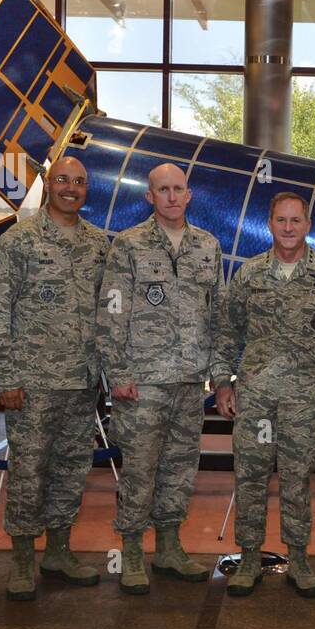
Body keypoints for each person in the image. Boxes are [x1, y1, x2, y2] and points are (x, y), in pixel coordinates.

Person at [212, 191, 315, 598]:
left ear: (309, 225)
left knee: (297, 480)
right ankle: (248, 559)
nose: (289, 227)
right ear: (270, 224)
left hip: (306, 399)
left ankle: (298, 559)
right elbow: (227, 331)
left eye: (296, 220)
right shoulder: (249, 274)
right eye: (281, 220)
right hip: (256, 397)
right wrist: (223, 383)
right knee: (251, 478)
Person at [0, 156, 108, 601]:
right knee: (29, 472)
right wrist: (5, 376)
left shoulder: (96, 243)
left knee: (72, 470)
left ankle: (58, 552)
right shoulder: (21, 240)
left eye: (80, 182)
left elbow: (107, 310)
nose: (72, 188)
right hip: (31, 384)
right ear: (49, 185)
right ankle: (20, 562)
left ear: (87, 190)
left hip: (80, 381)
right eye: (64, 180)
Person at [96, 162, 223, 595]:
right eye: (162, 190)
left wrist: (218, 374)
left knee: (180, 469)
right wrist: (118, 373)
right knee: (138, 470)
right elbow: (112, 313)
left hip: (189, 381)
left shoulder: (208, 246)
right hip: (142, 382)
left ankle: (169, 548)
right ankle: (132, 552)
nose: (171, 196)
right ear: (149, 197)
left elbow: (218, 314)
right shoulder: (128, 246)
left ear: (189, 195)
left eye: (178, 189)